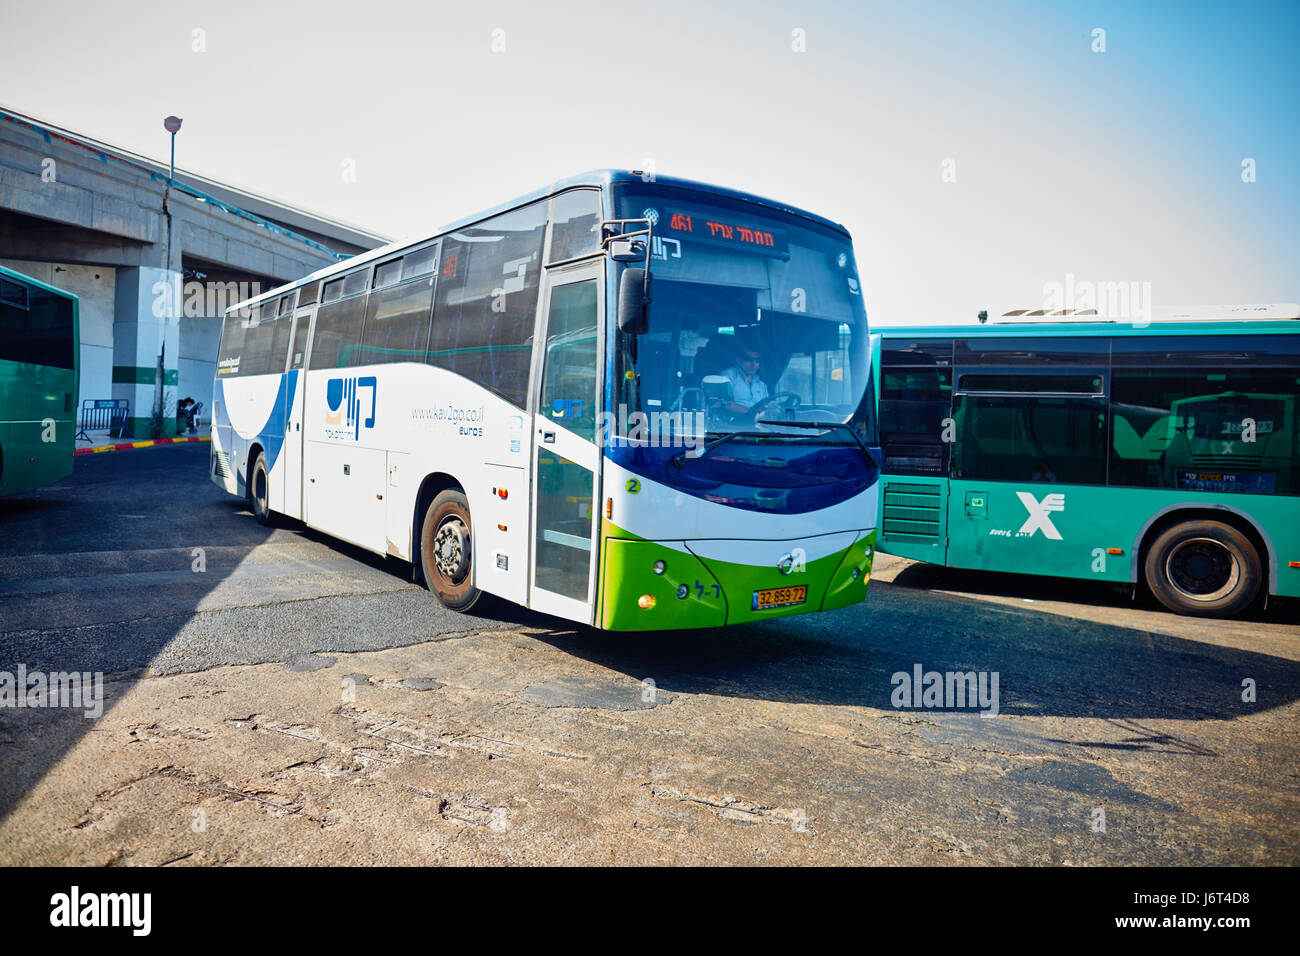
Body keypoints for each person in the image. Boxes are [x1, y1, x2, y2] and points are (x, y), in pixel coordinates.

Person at [716, 346, 769, 414]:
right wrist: (750, 413)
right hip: (733, 422)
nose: (754, 364)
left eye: (757, 360)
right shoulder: (728, 375)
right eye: (749, 359)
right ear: (739, 360)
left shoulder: (761, 384)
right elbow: (721, 403)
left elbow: (768, 404)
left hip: (758, 422)